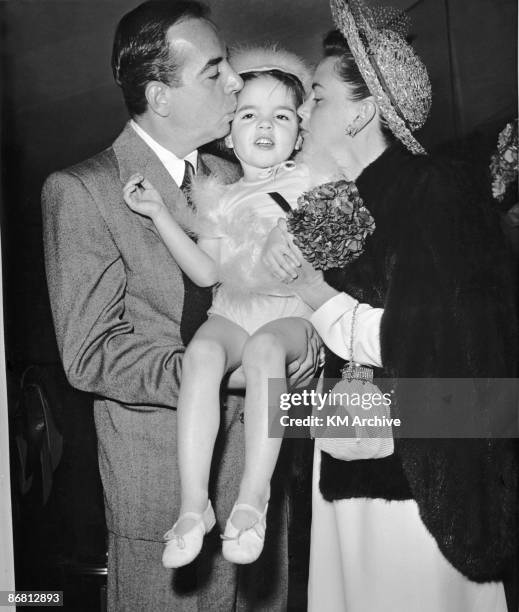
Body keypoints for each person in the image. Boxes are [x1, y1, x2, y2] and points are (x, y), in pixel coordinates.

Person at [41, 2, 319, 610]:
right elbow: (91, 355)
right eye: (215, 70)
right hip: (162, 494)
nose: (236, 82)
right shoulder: (83, 191)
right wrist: (219, 371)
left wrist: (306, 351)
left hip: (260, 484)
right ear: (160, 97)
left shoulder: (243, 168)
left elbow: (307, 289)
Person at [263, 0, 518, 610]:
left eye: (317, 96)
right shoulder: (346, 200)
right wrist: (274, 401)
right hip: (351, 473)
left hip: (416, 498)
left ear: (363, 113)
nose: (302, 111)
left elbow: (451, 345)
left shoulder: (433, 189)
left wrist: (318, 297)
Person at [122, 47, 319, 570]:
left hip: (288, 312)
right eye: (248, 114)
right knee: (203, 353)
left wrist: (292, 226)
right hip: (232, 309)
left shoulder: (311, 184)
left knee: (264, 349)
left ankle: (253, 500)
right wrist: (161, 212)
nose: (264, 125)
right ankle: (194, 507)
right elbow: (207, 274)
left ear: (300, 135)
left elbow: (337, 246)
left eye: (281, 116)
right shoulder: (220, 197)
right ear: (228, 135)